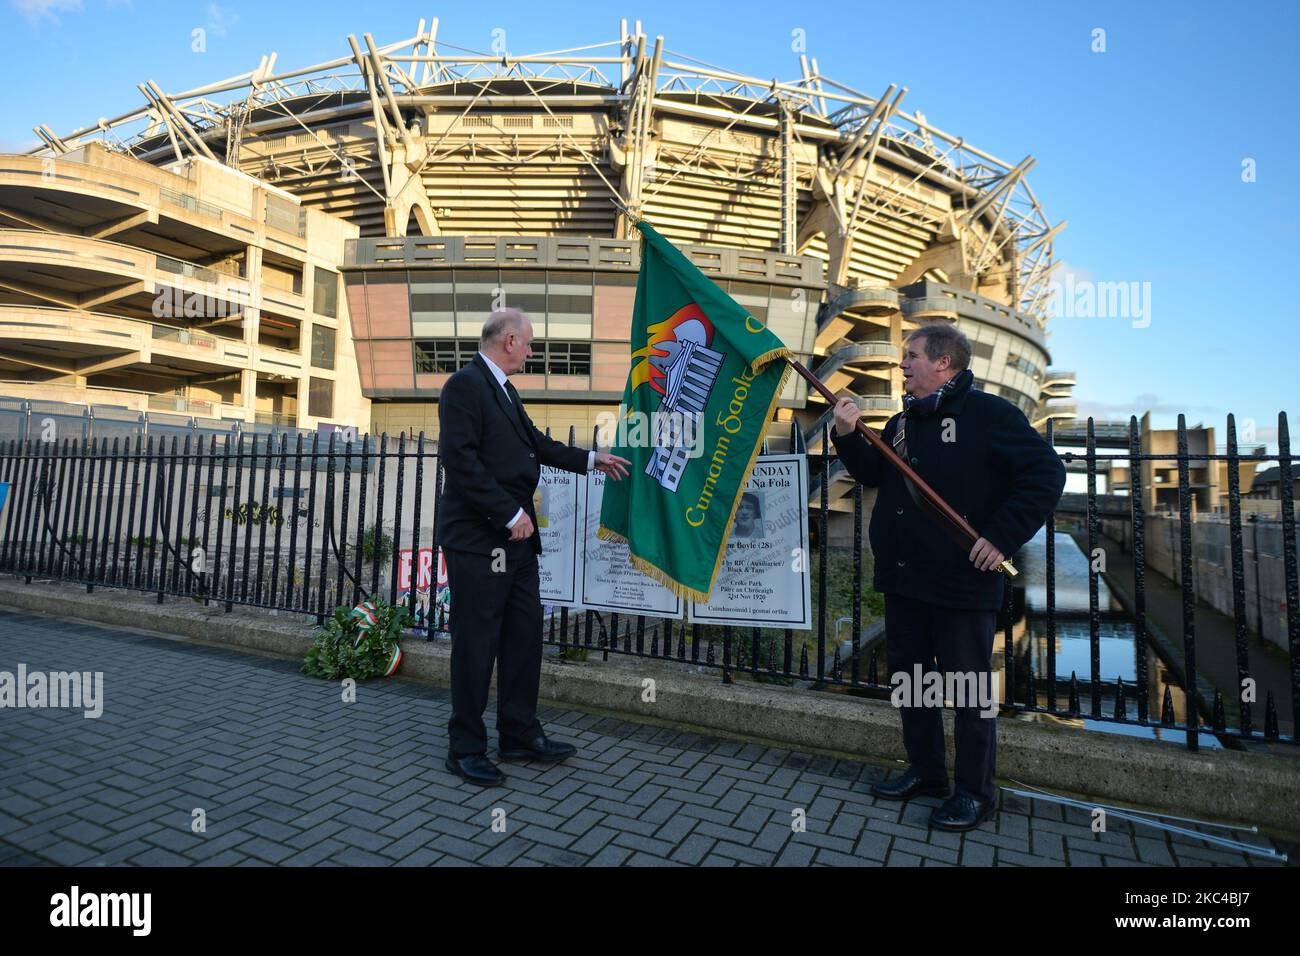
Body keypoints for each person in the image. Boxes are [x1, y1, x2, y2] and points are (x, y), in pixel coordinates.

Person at [831, 323, 1065, 831]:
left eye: (911, 356)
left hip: (962, 581)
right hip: (904, 578)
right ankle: (927, 772)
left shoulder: (989, 415)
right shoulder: (903, 421)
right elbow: (876, 473)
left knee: (968, 691)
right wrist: (848, 436)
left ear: (944, 363)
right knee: (911, 683)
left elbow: (1046, 474)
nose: (902, 365)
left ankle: (976, 792)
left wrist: (1001, 536)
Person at [437, 308, 630, 786]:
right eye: (527, 343)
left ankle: (519, 733)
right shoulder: (464, 386)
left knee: (523, 639)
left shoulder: (503, 389)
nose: (531, 351)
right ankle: (465, 747)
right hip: (481, 541)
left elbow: (537, 445)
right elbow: (458, 459)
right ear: (508, 341)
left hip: (518, 545)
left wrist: (591, 459)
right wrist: (507, 512)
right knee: (476, 645)